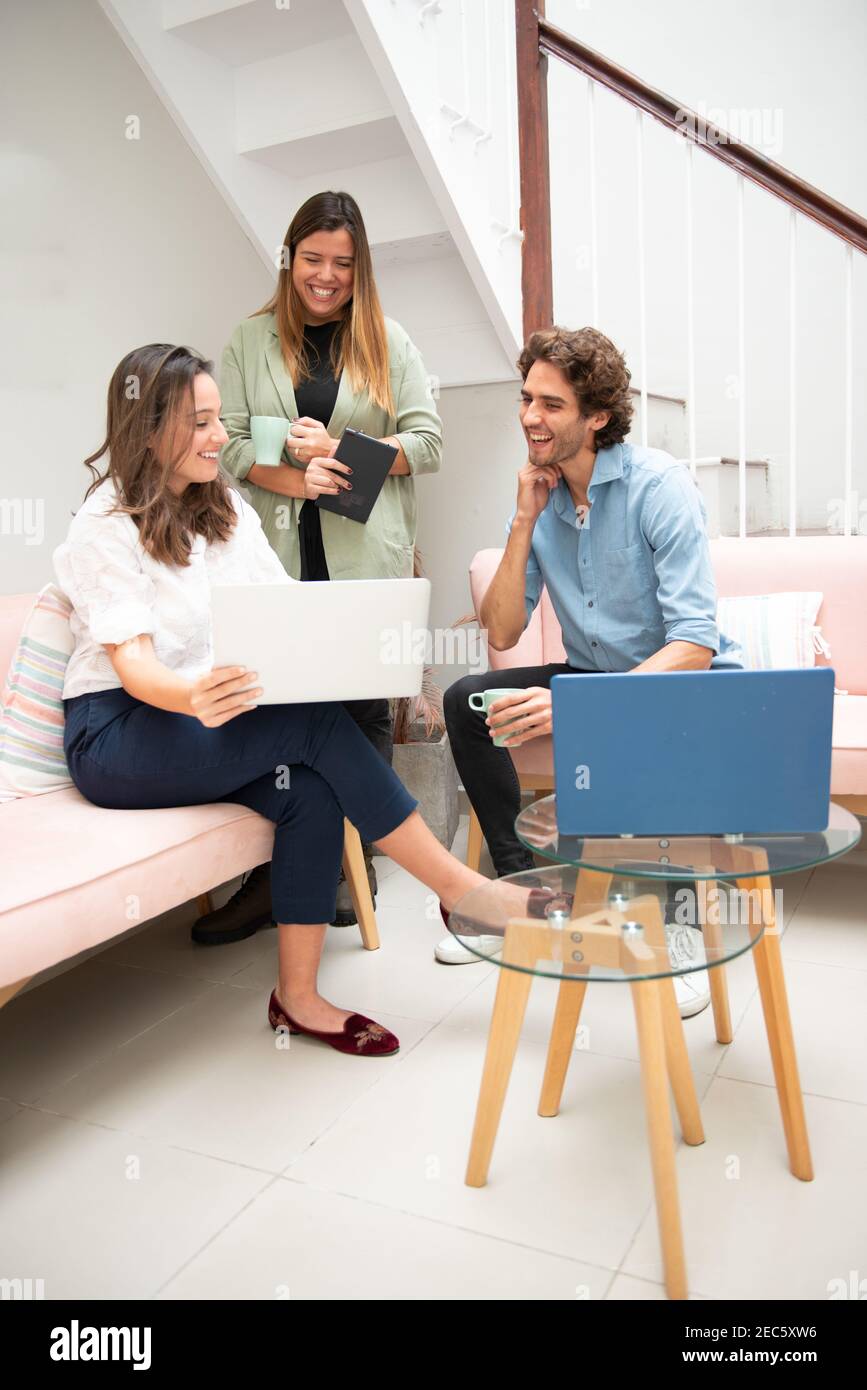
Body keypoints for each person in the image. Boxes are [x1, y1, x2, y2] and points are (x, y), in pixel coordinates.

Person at [53, 343, 505, 1057]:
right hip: (117, 732)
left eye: (216, 420)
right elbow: (134, 666)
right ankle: (462, 893)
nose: (218, 437)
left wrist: (343, 649)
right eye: (200, 423)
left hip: (203, 713)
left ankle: (297, 999)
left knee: (311, 788)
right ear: (148, 430)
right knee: (315, 729)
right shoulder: (105, 524)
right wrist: (193, 693)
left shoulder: (223, 507)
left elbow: (283, 609)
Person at [442, 327, 743, 1018]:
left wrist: (585, 707)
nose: (528, 417)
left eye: (549, 404)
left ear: (596, 416)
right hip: (593, 675)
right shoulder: (542, 498)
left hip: (675, 688)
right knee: (467, 701)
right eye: (525, 399)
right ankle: (523, 900)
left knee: (657, 733)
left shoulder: (658, 488)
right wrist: (521, 522)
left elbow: (694, 643)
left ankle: (679, 931)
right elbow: (502, 631)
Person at [205, 189, 442, 941]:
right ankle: (274, 877)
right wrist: (295, 477)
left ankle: (354, 870)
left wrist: (337, 452)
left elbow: (428, 445)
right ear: (289, 258)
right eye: (313, 259)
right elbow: (232, 447)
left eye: (343, 262)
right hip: (273, 552)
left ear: (359, 266)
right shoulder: (249, 340)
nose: (327, 276)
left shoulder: (387, 340)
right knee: (274, 714)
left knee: (364, 710)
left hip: (364, 555)